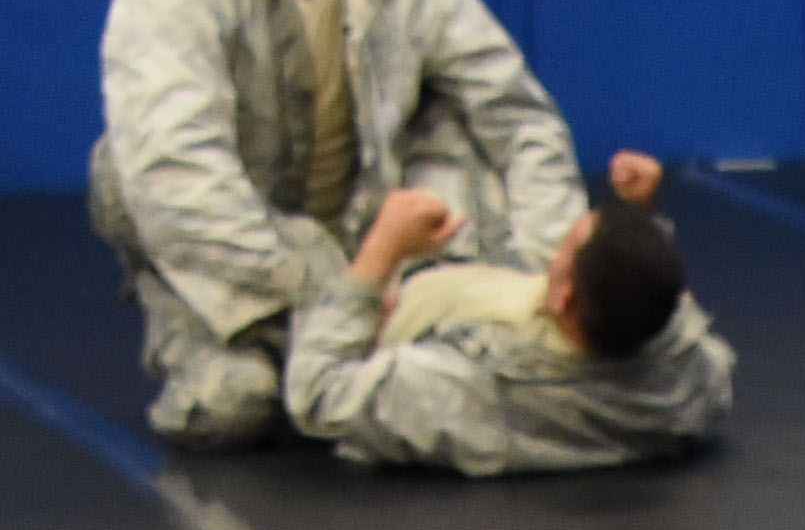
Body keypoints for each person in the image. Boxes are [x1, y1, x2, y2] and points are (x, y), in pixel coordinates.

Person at [91, 0, 588, 452]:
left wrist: (546, 276)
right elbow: (180, 183)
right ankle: (206, 332)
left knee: (485, 369)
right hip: (248, 268)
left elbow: (520, 121)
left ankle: (363, 349)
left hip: (386, 250)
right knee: (233, 404)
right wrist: (342, 293)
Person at [280, 147, 736, 475]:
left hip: (367, 315)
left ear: (562, 299)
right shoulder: (685, 385)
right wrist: (638, 217)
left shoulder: (472, 392)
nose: (557, 252)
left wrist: (377, 256)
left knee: (294, 236)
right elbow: (652, 298)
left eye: (565, 249)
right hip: (476, 280)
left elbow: (317, 392)